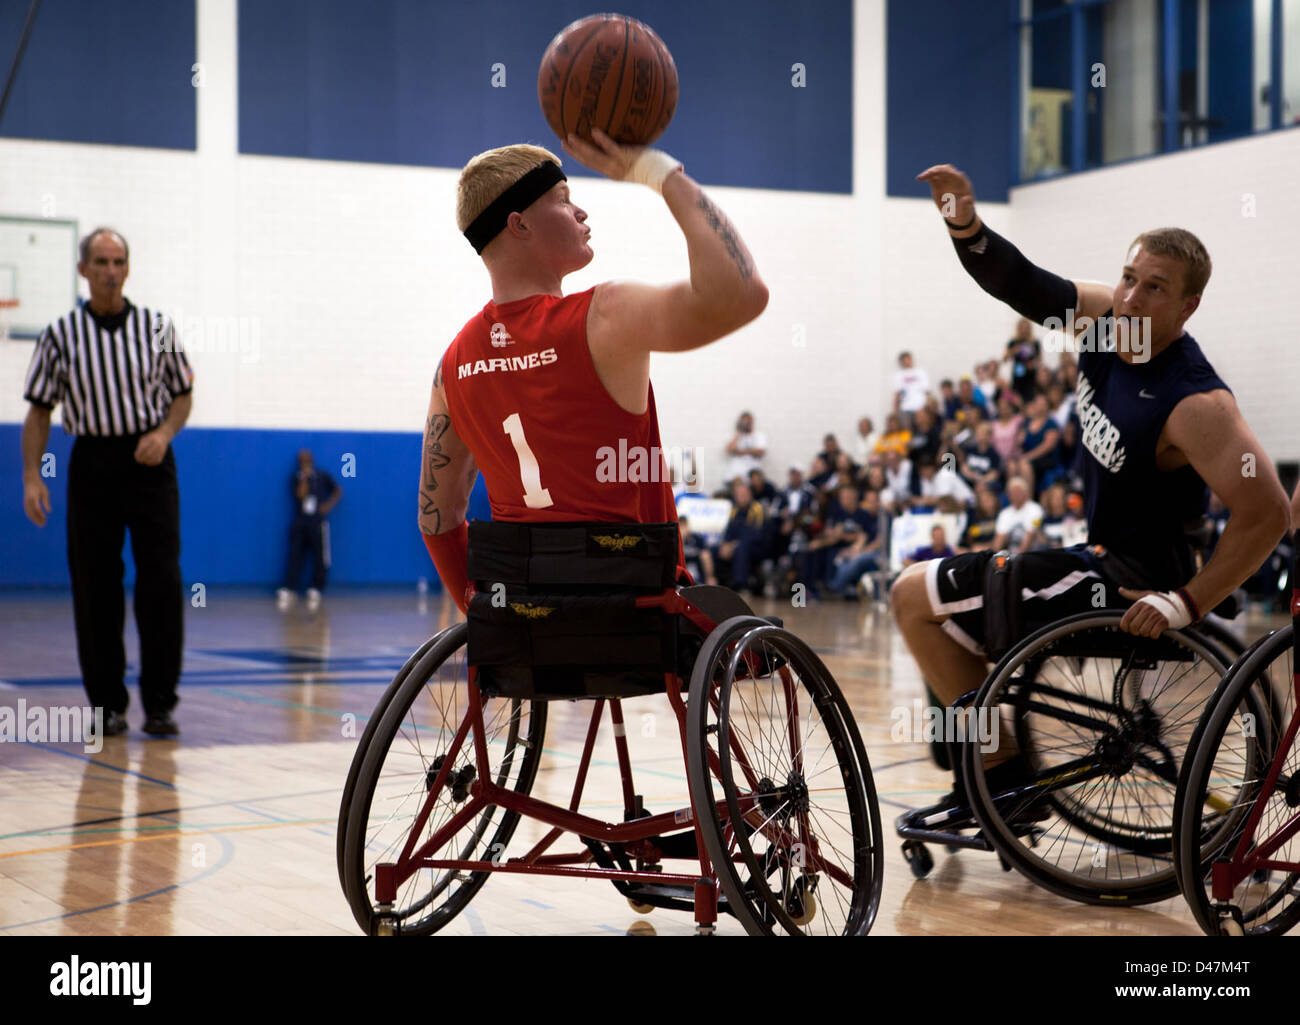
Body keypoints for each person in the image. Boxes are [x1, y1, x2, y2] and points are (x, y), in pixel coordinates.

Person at [892, 162, 1289, 789]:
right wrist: (964, 223)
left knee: (912, 597)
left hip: (1136, 581)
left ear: (1189, 305)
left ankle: (1000, 778)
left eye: (1154, 288)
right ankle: (982, 750)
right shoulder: (1108, 320)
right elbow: (1021, 283)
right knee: (944, 617)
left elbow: (1268, 513)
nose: (1131, 296)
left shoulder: (1197, 405)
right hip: (1098, 554)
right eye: (1129, 278)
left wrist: (1185, 603)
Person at [415, 131, 767, 614]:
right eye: (563, 200)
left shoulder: (452, 365)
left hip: (525, 622)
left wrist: (481, 616)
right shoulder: (605, 314)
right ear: (519, 225)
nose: (582, 212)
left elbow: (437, 518)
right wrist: (659, 173)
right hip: (641, 611)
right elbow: (743, 293)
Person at [20, 228, 193, 738]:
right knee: (95, 586)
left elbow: (182, 394)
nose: (111, 271)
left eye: (118, 261)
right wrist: (32, 474)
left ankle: (160, 704)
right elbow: (39, 409)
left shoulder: (156, 327)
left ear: (128, 268)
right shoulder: (60, 334)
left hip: (148, 461)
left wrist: (164, 432)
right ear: (83, 270)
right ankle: (106, 706)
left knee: (160, 581)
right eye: (100, 261)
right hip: (92, 463)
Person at [277, 449, 343, 611]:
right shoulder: (296, 477)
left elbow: (337, 490)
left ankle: (316, 587)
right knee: (295, 554)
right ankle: (291, 587)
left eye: (307, 459)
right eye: (302, 459)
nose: (304, 461)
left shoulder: (321, 476)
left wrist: (328, 505)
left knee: (319, 555)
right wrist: (304, 478)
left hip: (317, 521)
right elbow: (300, 495)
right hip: (301, 521)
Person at [724, 411, 767, 483]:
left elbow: (760, 451)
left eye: (748, 422)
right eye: (744, 422)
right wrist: (738, 433)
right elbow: (729, 449)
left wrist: (740, 451)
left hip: (754, 472)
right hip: (738, 474)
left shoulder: (759, 435)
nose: (746, 424)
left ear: (752, 422)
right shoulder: (736, 436)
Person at [893, 350, 931, 423]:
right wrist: (895, 411)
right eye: (904, 360)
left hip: (920, 407)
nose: (907, 361)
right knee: (907, 431)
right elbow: (897, 394)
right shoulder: (899, 375)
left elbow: (927, 391)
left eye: (908, 359)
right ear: (901, 362)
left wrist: (928, 405)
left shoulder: (920, 372)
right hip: (905, 408)